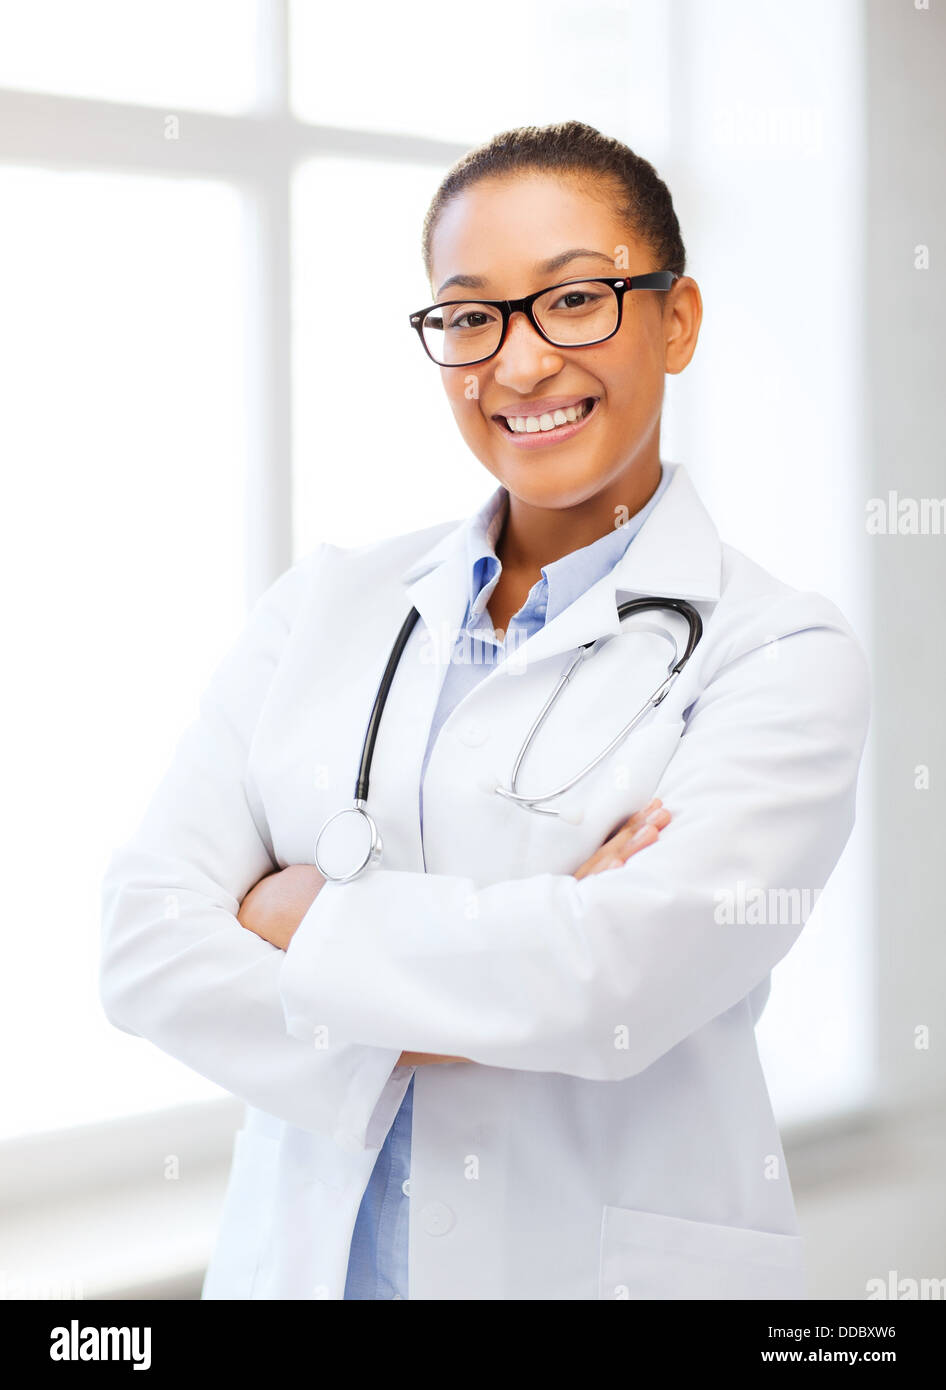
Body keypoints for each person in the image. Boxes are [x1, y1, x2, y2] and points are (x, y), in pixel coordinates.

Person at [99, 120, 870, 1301]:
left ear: (677, 320)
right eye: (470, 315)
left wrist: (300, 914)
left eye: (575, 300)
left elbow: (614, 988)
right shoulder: (326, 603)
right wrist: (542, 919)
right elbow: (147, 948)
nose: (517, 364)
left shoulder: (778, 653)